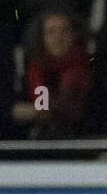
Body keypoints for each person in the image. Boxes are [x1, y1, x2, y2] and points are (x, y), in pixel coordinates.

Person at [14, 10, 93, 139]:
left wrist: (43, 112)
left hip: (80, 143)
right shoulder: (31, 72)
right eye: (51, 32)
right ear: (41, 37)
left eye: (64, 31)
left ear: (75, 34)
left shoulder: (88, 69)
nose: (58, 38)